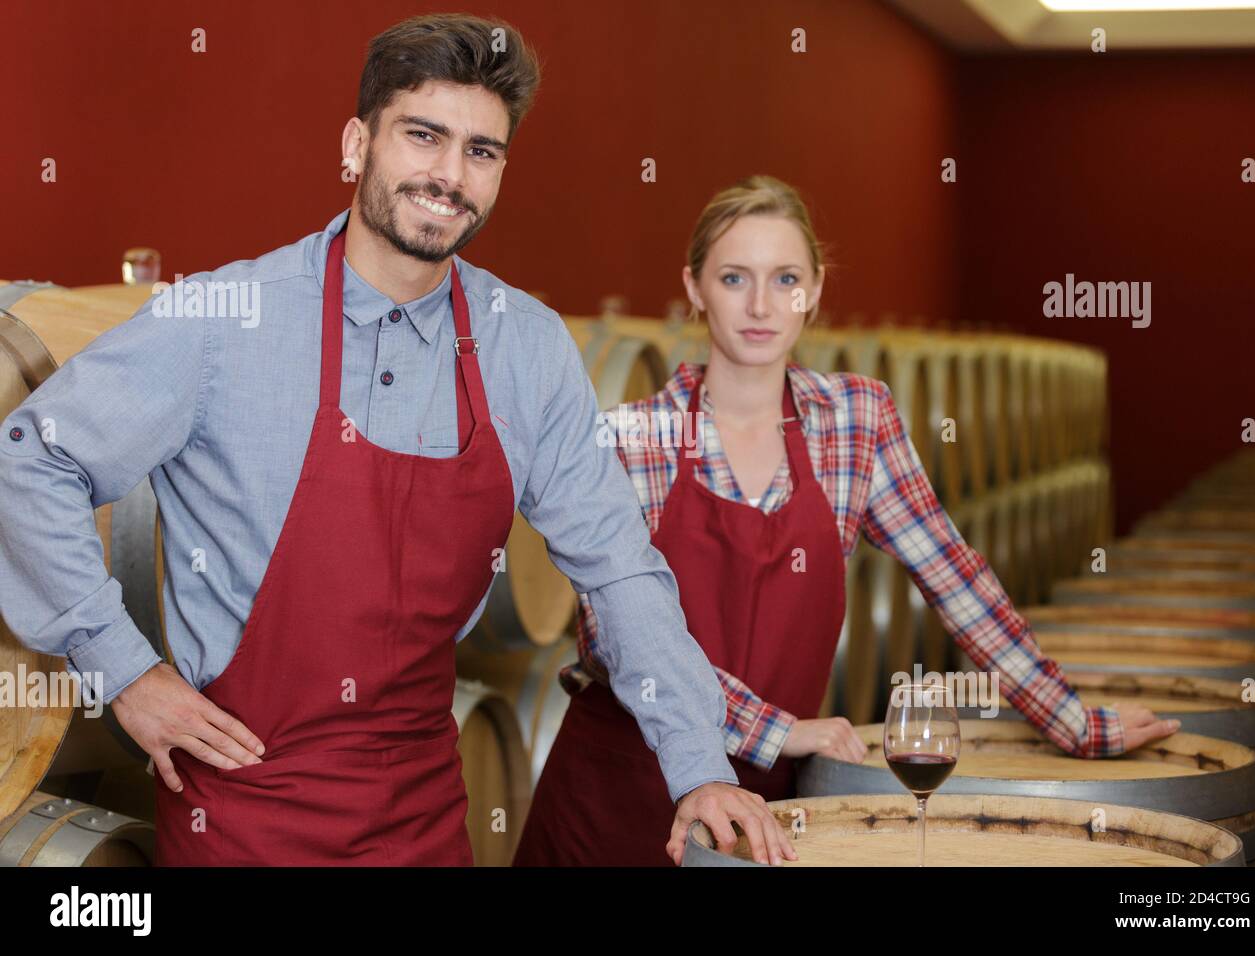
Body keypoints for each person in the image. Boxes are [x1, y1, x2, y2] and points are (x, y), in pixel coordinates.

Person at [0, 15, 796, 867]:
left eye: (482, 151)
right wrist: (122, 670)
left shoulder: (524, 346)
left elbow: (618, 567)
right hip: (240, 812)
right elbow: (28, 456)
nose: (450, 175)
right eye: (424, 136)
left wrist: (699, 767)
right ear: (357, 143)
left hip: (418, 820)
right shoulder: (226, 320)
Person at [511, 174, 1181, 866]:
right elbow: (617, 637)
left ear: (817, 290)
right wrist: (778, 730)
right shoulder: (636, 435)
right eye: (735, 277)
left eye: (787, 278)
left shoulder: (857, 422)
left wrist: (1069, 720)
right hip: (616, 793)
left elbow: (957, 579)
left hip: (766, 807)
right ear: (694, 288)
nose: (762, 304)